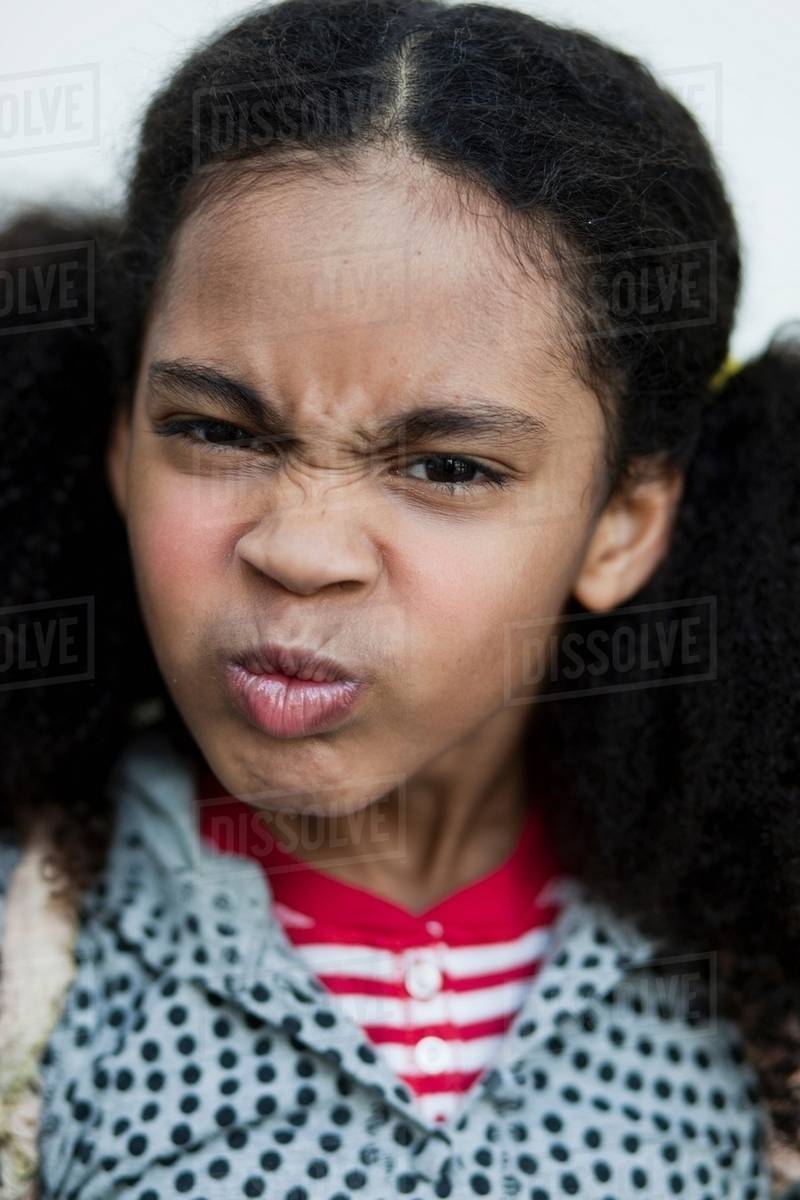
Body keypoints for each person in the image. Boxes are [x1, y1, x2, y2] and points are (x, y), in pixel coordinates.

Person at [0, 0, 797, 1196]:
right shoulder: (31, 943)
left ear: (622, 524)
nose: (301, 548)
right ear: (121, 443)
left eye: (447, 468)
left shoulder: (754, 989)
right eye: (216, 431)